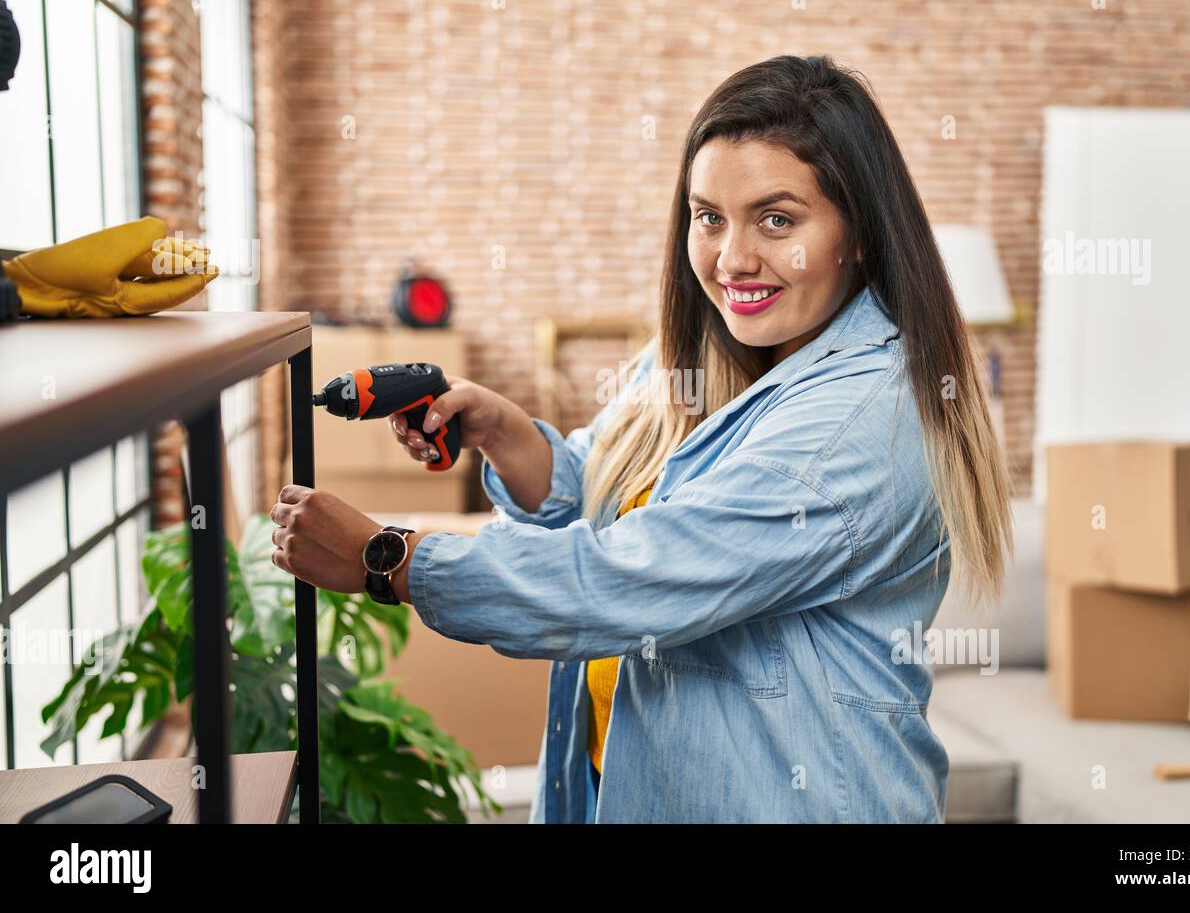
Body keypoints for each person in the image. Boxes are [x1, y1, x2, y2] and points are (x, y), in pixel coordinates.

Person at [270, 53, 1013, 823]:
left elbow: (632, 576)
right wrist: (503, 429)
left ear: (858, 235)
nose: (732, 260)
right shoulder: (702, 355)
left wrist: (386, 558)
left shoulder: (860, 423)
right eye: (709, 217)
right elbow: (602, 484)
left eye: (777, 220)